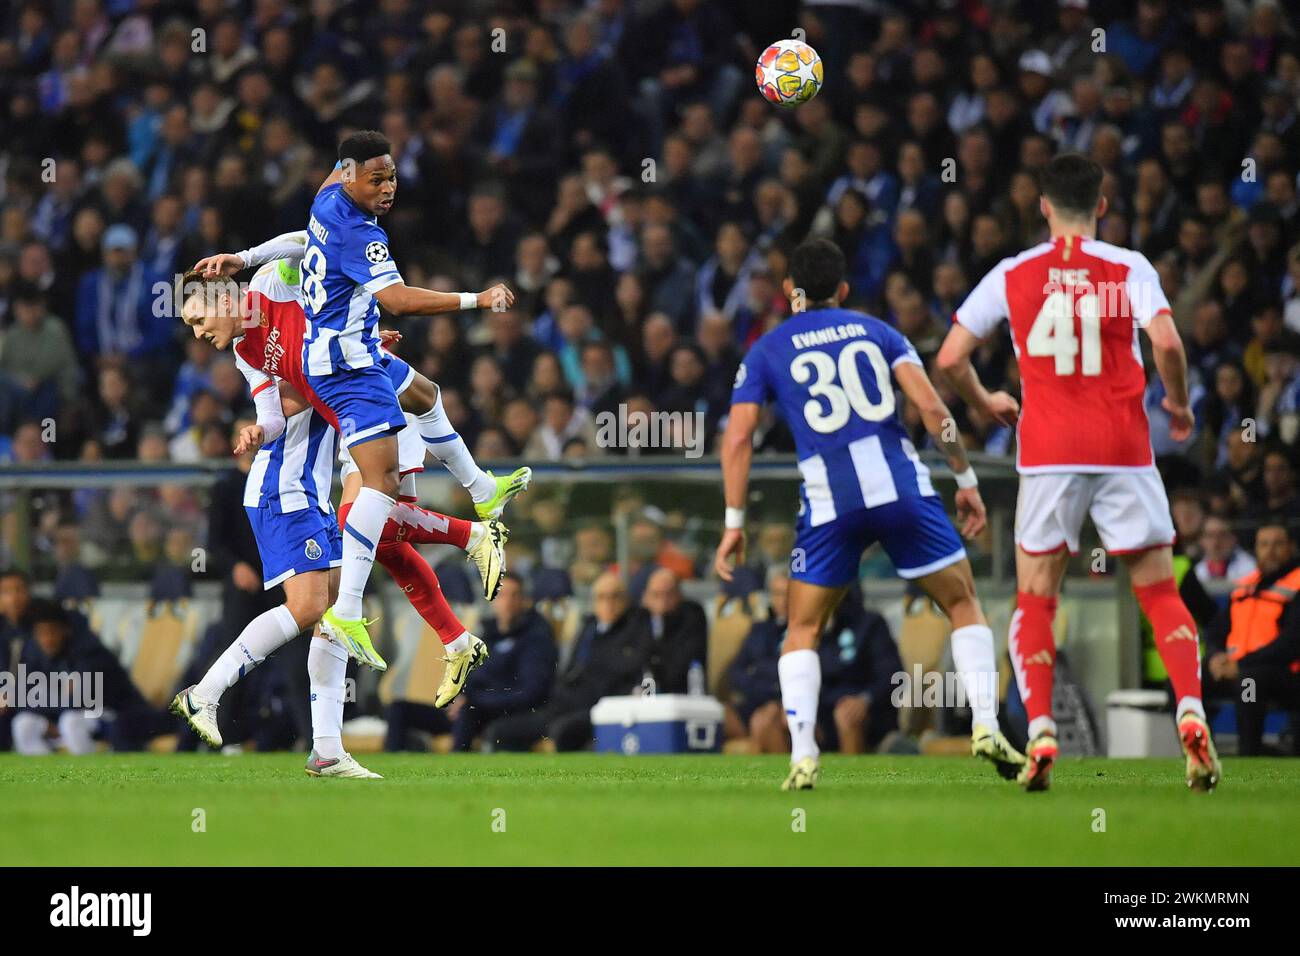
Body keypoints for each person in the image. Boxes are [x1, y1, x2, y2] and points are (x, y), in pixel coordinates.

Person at [937, 153, 1221, 791]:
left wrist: (985, 401)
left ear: (1041, 206)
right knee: (1158, 591)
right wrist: (1176, 402)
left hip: (1049, 453)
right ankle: (1192, 712)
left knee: (1036, 595)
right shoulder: (1129, 268)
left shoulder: (1013, 273)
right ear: (1101, 205)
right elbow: (1169, 342)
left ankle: (1039, 728)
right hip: (1123, 447)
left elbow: (951, 356)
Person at [714, 237, 1024, 791]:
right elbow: (932, 410)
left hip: (831, 505)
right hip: (901, 489)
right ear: (844, 289)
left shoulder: (766, 349)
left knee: (803, 628)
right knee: (962, 602)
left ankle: (804, 754)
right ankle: (984, 724)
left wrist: (734, 522)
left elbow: (738, 439)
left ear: (790, 291)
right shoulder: (879, 331)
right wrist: (966, 478)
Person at [184, 226, 511, 707]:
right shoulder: (244, 350)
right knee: (381, 538)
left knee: (364, 518)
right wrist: (260, 429)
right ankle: (458, 638)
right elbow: (277, 409)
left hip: (363, 390)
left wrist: (246, 255)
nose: (197, 333)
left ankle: (474, 527)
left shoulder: (271, 283)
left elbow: (309, 241)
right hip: (345, 412)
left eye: (197, 318)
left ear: (225, 298)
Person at [288, 131, 529, 678]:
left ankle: (481, 492)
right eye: (377, 179)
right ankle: (350, 608)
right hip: (347, 369)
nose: (389, 187)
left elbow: (336, 167)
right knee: (381, 491)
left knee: (425, 395)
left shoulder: (326, 197)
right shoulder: (360, 233)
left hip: (349, 352)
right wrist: (478, 297)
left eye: (392, 176)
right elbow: (397, 299)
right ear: (351, 176)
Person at [484, 571, 649, 752]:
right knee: (500, 732)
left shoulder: (636, 630)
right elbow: (571, 670)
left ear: (626, 600)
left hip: (601, 708)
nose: (608, 603)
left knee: (563, 731)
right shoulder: (589, 629)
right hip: (564, 706)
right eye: (602, 597)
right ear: (593, 602)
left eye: (615, 597)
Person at [1203, 522, 1300, 756]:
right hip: (1239, 669)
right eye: (1264, 544)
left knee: (1249, 683)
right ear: (1255, 549)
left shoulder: (1296, 583)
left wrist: (1241, 664)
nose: (1270, 551)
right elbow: (1216, 629)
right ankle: (1202, 752)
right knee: (1188, 679)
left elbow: (1291, 643)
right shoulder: (1245, 586)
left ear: (1291, 548)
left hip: (1286, 674)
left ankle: (1249, 753)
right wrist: (1216, 656)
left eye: (1278, 544)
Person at [448, 573, 557, 751]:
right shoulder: (486, 635)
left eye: (514, 595)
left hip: (517, 712)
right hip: (476, 708)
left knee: (476, 717)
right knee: (401, 709)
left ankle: (458, 770)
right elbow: (470, 677)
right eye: (502, 595)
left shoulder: (537, 637)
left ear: (524, 600)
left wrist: (476, 700)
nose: (508, 602)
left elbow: (531, 692)